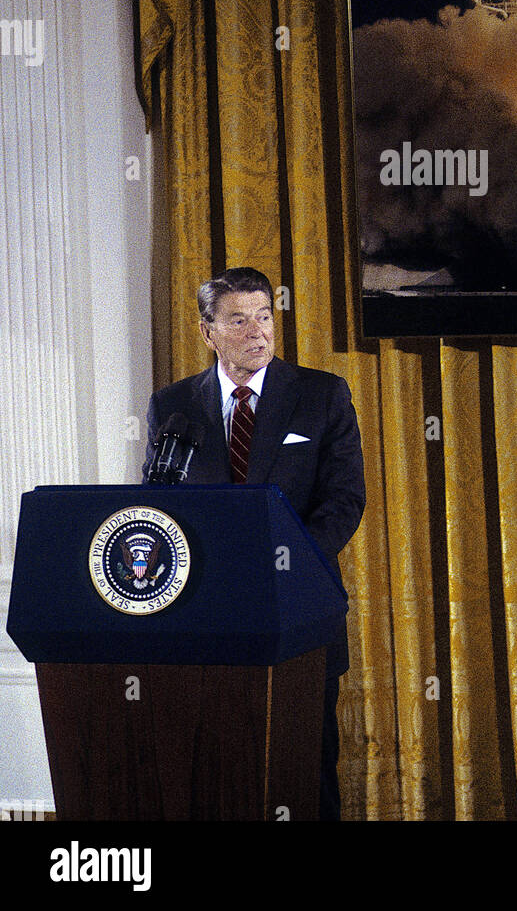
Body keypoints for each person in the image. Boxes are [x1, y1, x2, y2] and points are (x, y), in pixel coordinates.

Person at [143, 266, 365, 821]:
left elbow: (343, 501)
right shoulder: (173, 406)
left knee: (305, 773)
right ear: (206, 331)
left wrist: (281, 566)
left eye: (265, 316)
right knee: (216, 776)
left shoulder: (321, 395)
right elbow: (158, 509)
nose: (257, 332)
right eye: (238, 320)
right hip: (205, 621)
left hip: (298, 614)